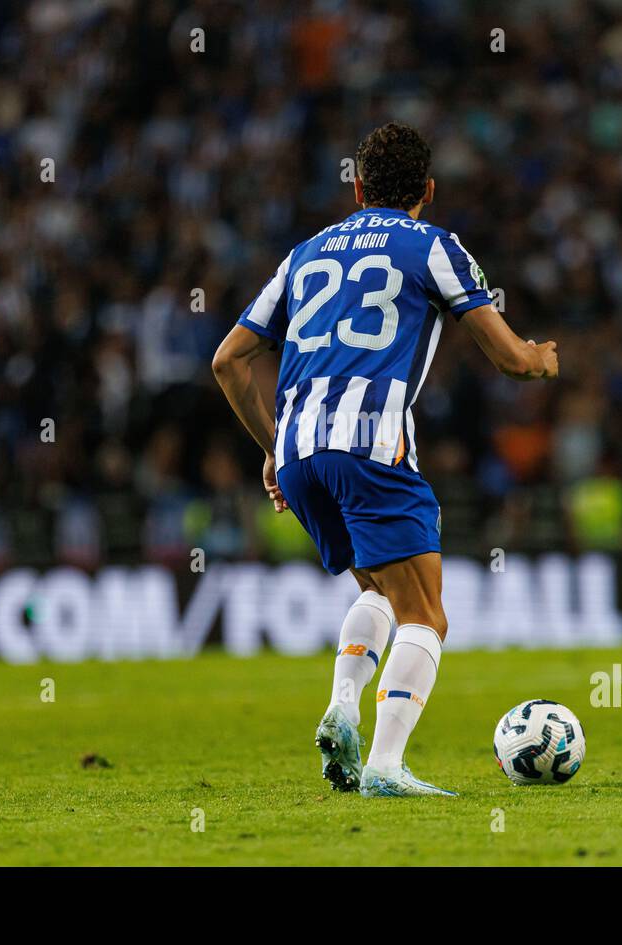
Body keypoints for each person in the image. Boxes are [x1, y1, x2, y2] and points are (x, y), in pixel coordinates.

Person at [211, 123, 557, 797]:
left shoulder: (304, 253)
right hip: (370, 445)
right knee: (426, 613)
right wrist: (542, 361)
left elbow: (228, 361)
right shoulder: (433, 246)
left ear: (358, 186)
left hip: (302, 451)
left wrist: (274, 447)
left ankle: (343, 707)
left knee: (378, 592)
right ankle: (385, 766)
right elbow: (511, 359)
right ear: (427, 190)